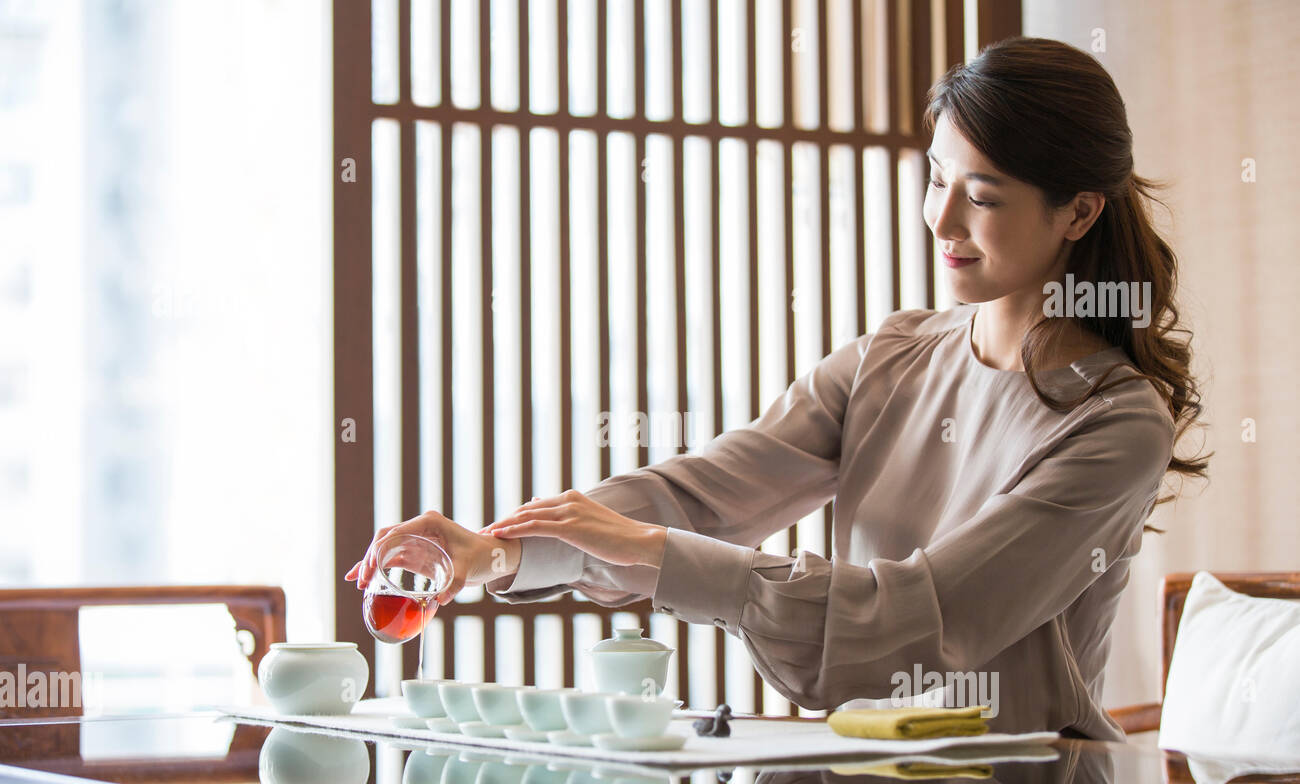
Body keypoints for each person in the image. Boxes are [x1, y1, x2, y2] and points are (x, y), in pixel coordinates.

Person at [346, 36, 1208, 739]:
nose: (941, 221)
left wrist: (656, 556)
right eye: (937, 179)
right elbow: (706, 493)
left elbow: (920, 624)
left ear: (1079, 213)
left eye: (981, 196)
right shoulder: (892, 355)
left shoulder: (1114, 425)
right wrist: (498, 551)